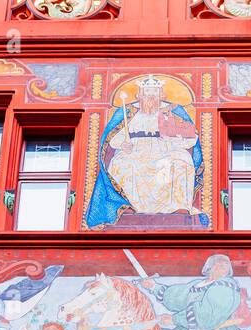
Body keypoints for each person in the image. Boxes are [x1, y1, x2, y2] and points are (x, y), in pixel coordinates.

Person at [87, 75, 203, 228]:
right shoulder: (127, 112)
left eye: (154, 93)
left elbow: (190, 137)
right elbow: (113, 138)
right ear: (140, 95)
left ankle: (177, 207)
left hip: (165, 148)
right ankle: (132, 209)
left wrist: (174, 139)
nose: (150, 96)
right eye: (147, 92)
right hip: (135, 149)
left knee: (182, 162)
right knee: (122, 164)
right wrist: (123, 145)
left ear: (160, 94)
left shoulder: (172, 111)